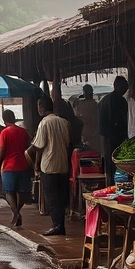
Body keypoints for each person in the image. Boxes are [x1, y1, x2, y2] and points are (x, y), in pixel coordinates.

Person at [29, 96, 81, 236]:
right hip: (63, 164)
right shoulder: (64, 123)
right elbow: (69, 144)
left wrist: (36, 165)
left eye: (39, 106)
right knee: (61, 197)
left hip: (49, 165)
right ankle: (60, 225)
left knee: (52, 198)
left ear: (41, 107)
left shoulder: (44, 123)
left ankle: (57, 225)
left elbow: (38, 147)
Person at [0, 108, 32, 227]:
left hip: (8, 166)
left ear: (4, 120)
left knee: (8, 192)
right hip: (23, 164)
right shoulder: (23, 131)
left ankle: (16, 213)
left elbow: (1, 150)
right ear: (14, 118)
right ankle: (17, 212)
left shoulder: (4, 132)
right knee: (22, 192)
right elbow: (29, 146)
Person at [99, 76, 130, 174]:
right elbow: (107, 123)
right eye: (124, 86)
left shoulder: (122, 101)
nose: (126, 89)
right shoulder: (109, 101)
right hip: (109, 139)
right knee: (110, 166)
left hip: (119, 139)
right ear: (117, 86)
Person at [71, 84, 101, 153]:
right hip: (95, 139)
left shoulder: (80, 105)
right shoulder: (96, 105)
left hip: (84, 138)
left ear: (84, 93)